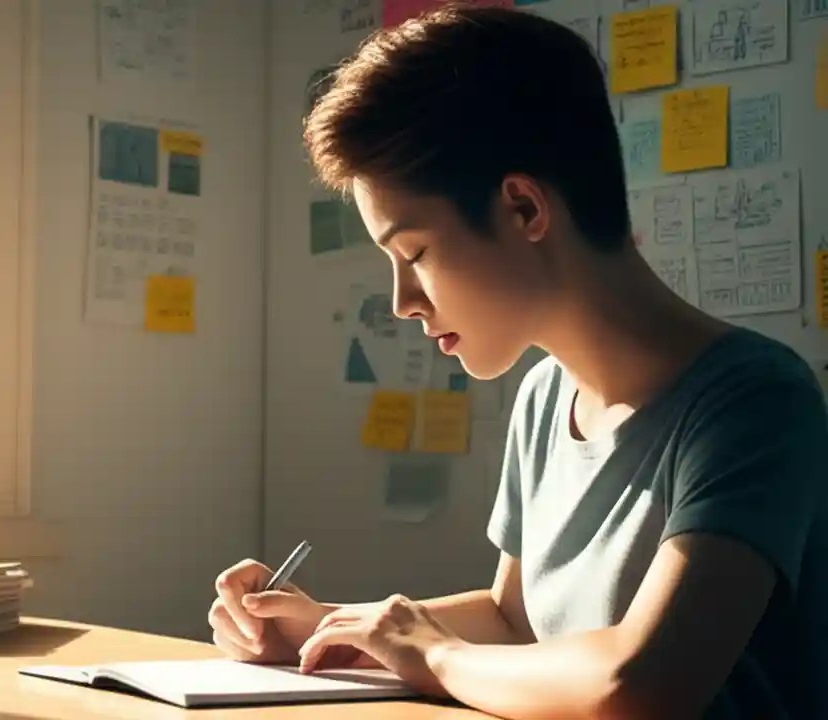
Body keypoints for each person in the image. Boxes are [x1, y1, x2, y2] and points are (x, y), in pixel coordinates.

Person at [207, 6, 828, 719]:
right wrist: (322, 627)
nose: (403, 301)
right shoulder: (543, 398)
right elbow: (515, 621)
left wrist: (434, 653)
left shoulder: (754, 402)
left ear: (525, 209)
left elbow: (642, 684)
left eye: (414, 254)